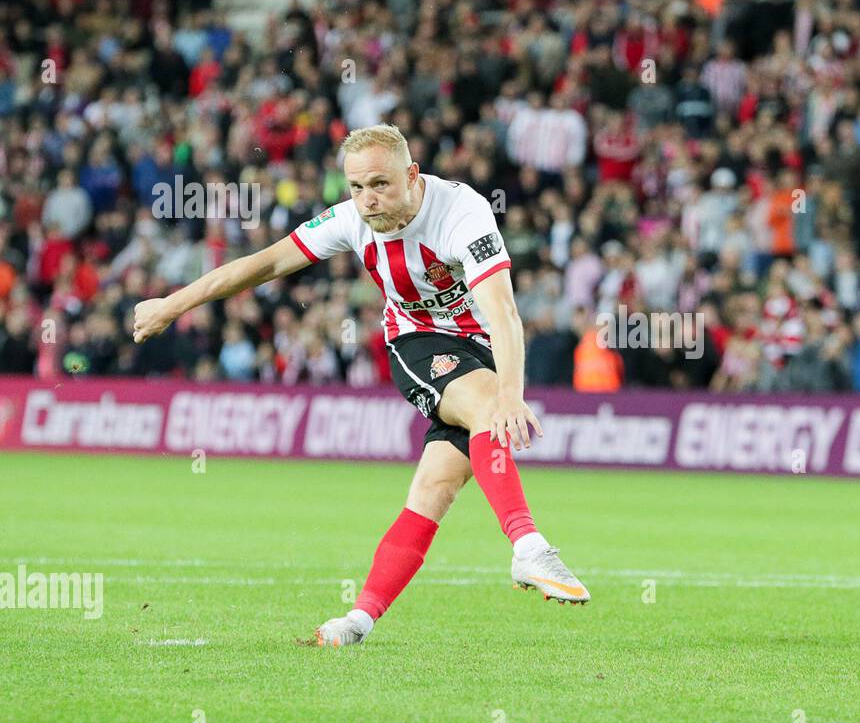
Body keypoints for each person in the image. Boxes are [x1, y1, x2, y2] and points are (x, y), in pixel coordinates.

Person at [131, 124, 590, 647]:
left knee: (434, 489)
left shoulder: (462, 213)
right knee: (486, 410)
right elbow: (265, 264)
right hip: (417, 342)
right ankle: (529, 548)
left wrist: (512, 392)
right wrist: (172, 305)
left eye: (379, 185)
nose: (367, 200)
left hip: (481, 344)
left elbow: (504, 313)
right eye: (355, 187)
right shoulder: (352, 220)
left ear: (412, 175)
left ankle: (357, 621)